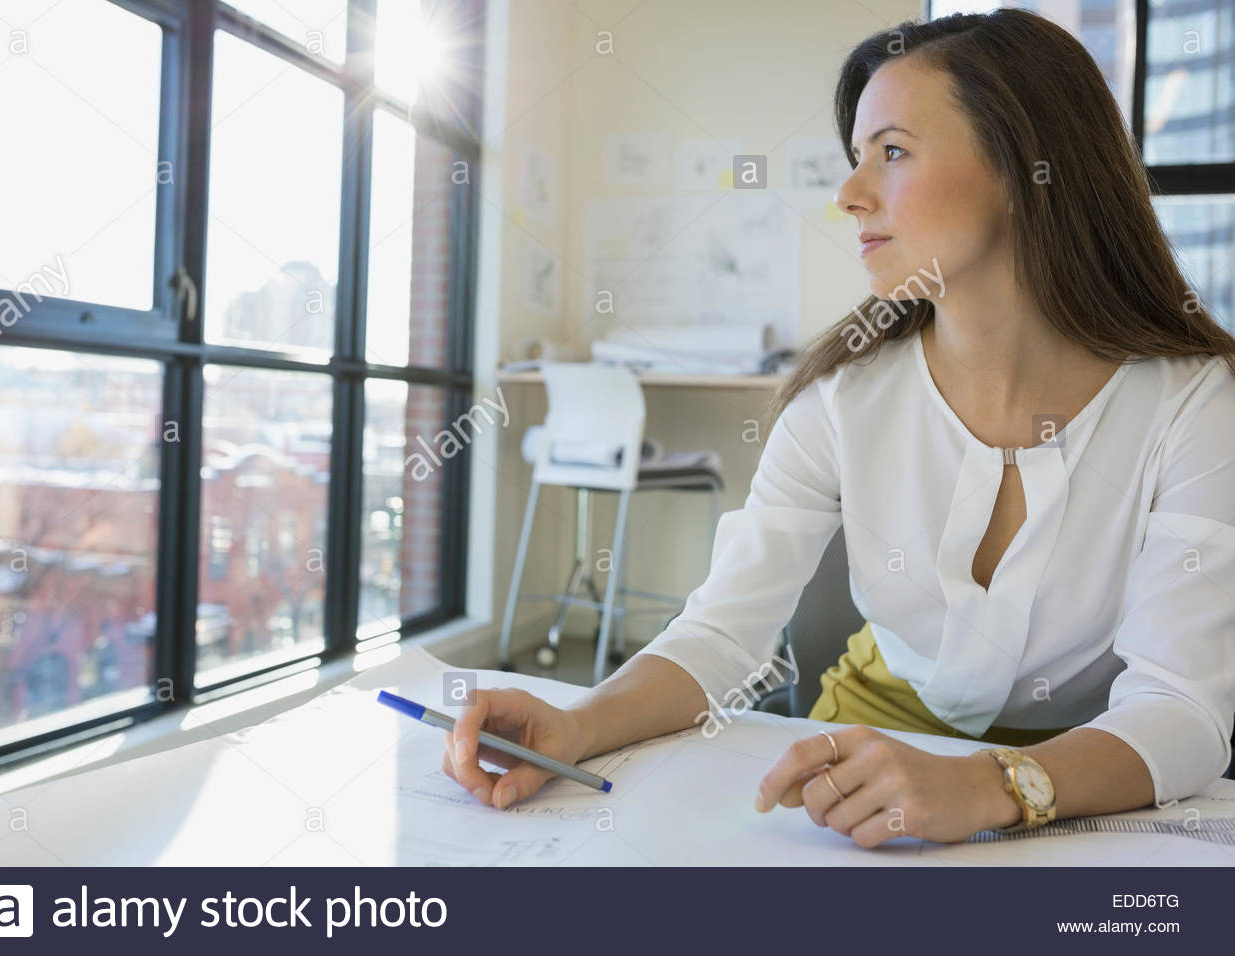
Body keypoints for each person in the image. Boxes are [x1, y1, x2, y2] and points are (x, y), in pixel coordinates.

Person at [443, 9, 1235, 848]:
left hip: (1090, 776)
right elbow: (721, 634)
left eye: (891, 152)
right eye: (856, 159)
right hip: (863, 750)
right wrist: (579, 723)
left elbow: (1180, 709)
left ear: (1022, 170)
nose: (850, 195)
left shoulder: (1194, 402)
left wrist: (990, 785)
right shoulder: (840, 395)